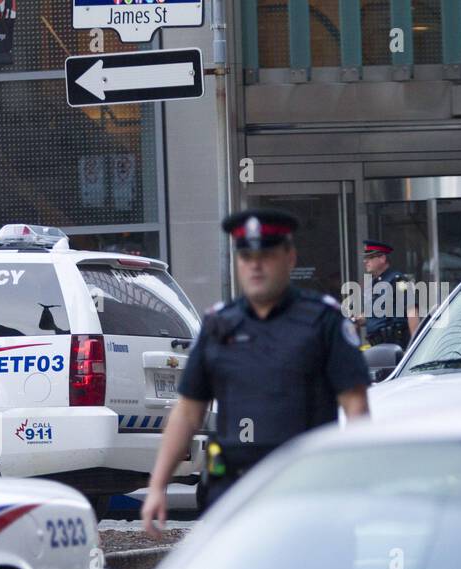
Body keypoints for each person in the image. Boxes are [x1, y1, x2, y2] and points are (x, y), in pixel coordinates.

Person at [141, 208, 371, 536]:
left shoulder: (323, 321)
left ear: (289, 257)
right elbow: (188, 412)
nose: (255, 264)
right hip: (236, 496)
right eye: (246, 256)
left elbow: (356, 408)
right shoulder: (219, 324)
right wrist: (158, 485)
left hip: (309, 494)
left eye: (266, 254)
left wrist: (358, 482)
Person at [361, 240, 411, 348]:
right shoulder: (374, 284)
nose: (365, 261)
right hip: (377, 345)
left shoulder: (398, 280)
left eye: (370, 258)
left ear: (382, 258)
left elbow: (412, 312)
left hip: (395, 345)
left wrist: (414, 348)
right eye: (365, 258)